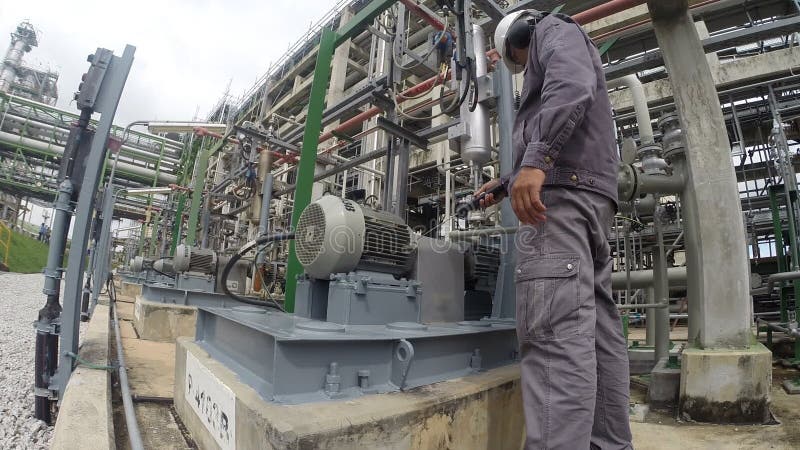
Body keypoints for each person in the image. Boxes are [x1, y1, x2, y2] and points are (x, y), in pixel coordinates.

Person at [477, 9, 633, 449]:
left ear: (519, 35)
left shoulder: (550, 31)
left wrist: (536, 159)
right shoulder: (563, 39)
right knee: (597, 334)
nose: (523, 67)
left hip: (558, 206)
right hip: (589, 200)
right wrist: (507, 182)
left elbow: (571, 85)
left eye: (517, 60)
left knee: (553, 336)